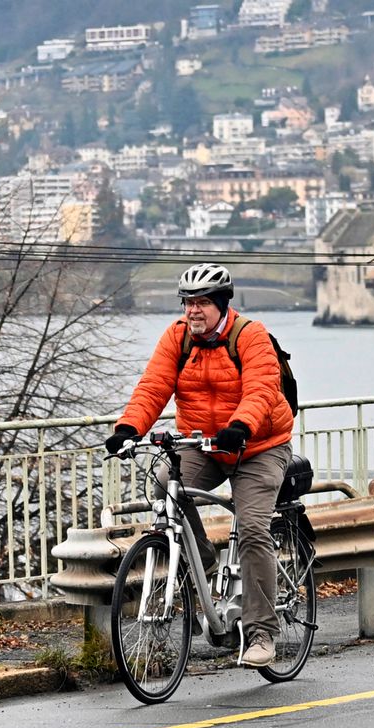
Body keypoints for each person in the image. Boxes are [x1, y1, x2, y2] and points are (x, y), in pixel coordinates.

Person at [104, 262, 294, 667]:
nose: (193, 311)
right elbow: (153, 387)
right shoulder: (177, 339)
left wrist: (241, 425)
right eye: (188, 302)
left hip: (258, 445)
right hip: (205, 445)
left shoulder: (250, 336)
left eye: (203, 302)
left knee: (253, 529)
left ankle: (262, 632)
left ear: (223, 305)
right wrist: (127, 428)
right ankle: (203, 559)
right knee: (162, 481)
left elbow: (262, 387)